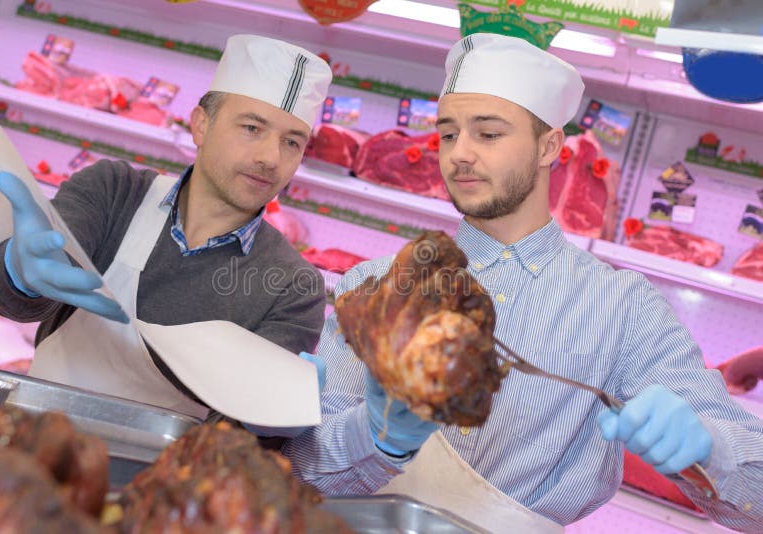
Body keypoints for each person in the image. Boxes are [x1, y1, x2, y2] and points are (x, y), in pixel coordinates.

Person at [283, 33, 763, 532]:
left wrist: (711, 450)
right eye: (448, 134)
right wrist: (375, 439)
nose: (459, 154)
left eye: (487, 134)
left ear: (548, 146)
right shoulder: (376, 285)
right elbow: (299, 472)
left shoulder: (623, 309)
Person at [0, 34, 332, 426]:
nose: (270, 157)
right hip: (32, 444)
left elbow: (232, 443)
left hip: (163, 480)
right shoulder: (113, 192)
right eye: (252, 127)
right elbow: (13, 300)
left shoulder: (294, 287)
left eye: (292, 142)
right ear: (201, 124)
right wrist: (18, 270)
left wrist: (269, 420)